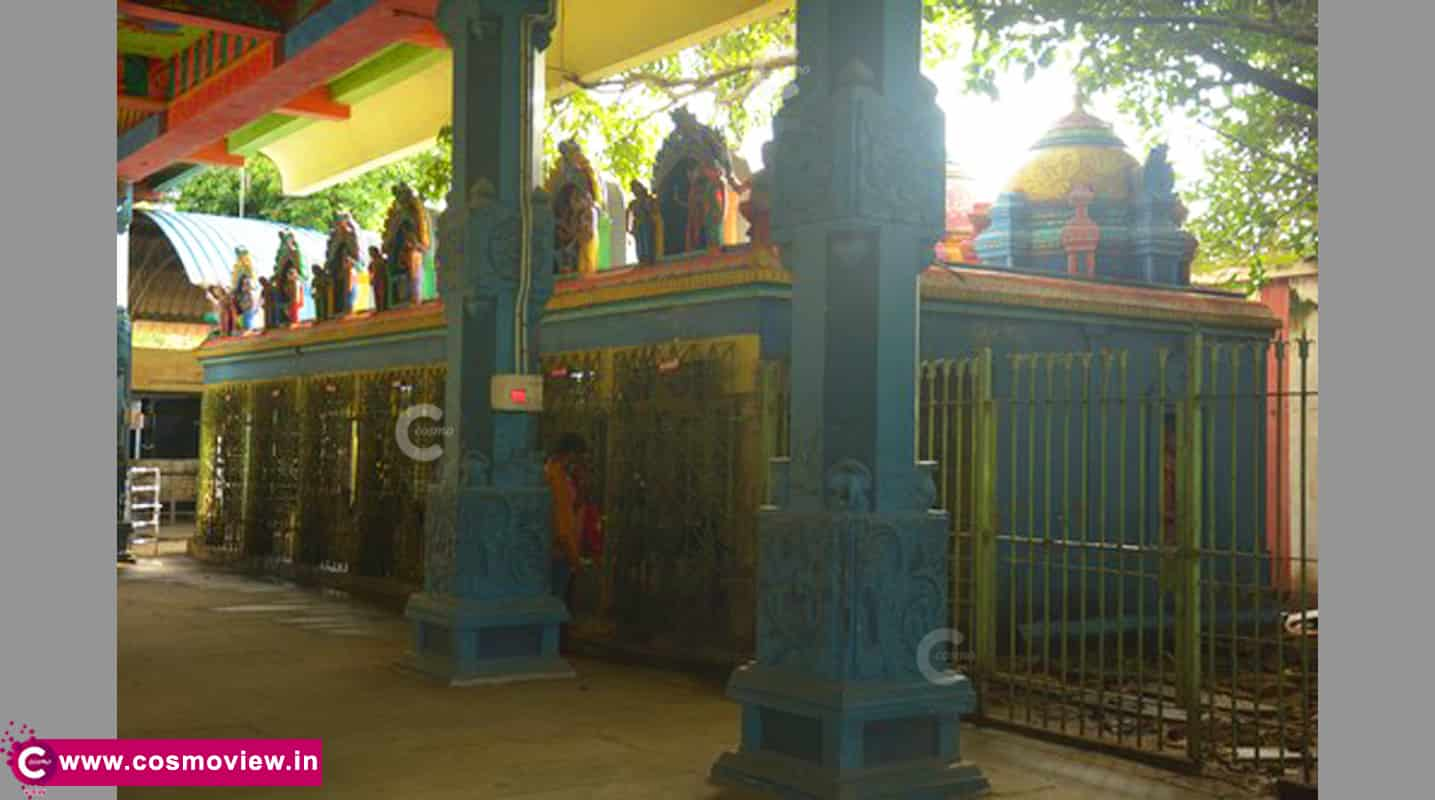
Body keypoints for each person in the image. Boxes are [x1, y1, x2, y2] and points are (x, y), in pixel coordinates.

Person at [545, 433, 590, 654]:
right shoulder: (556, 478)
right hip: (560, 550)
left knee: (559, 599)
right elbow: (562, 522)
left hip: (562, 548)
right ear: (570, 454)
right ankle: (552, 650)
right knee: (557, 602)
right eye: (579, 456)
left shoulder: (560, 475)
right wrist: (574, 558)